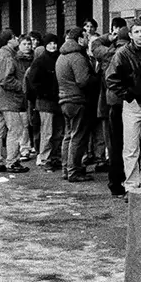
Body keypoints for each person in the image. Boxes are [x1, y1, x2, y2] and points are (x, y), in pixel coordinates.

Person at [107, 15, 141, 192]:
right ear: (130, 34)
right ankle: (131, 185)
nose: (140, 35)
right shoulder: (122, 53)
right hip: (132, 105)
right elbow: (111, 78)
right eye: (136, 32)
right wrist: (128, 95)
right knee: (131, 148)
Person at [56, 27, 98, 182]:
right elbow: (83, 81)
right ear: (80, 39)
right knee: (78, 137)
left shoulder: (62, 56)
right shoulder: (77, 57)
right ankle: (74, 171)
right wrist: (96, 78)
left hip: (65, 100)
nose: (87, 40)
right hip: (77, 100)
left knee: (68, 135)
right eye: (86, 37)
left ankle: (66, 169)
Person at [0, 30, 29, 174]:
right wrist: (21, 86)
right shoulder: (6, 55)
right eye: (14, 37)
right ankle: (12, 161)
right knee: (15, 130)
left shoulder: (2, 53)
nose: (17, 38)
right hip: (8, 100)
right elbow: (6, 79)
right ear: (9, 40)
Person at [95, 22, 130, 195]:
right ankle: (124, 180)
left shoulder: (106, 52)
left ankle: (114, 182)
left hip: (111, 103)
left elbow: (94, 44)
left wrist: (109, 36)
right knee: (128, 145)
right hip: (126, 102)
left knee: (115, 145)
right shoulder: (126, 53)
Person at [27, 33, 64, 172]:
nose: (53, 46)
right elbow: (33, 83)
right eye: (50, 44)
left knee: (58, 131)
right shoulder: (40, 61)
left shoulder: (59, 59)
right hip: (45, 101)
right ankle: (45, 158)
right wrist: (46, 93)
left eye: (54, 43)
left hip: (58, 100)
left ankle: (55, 157)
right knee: (47, 131)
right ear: (45, 45)